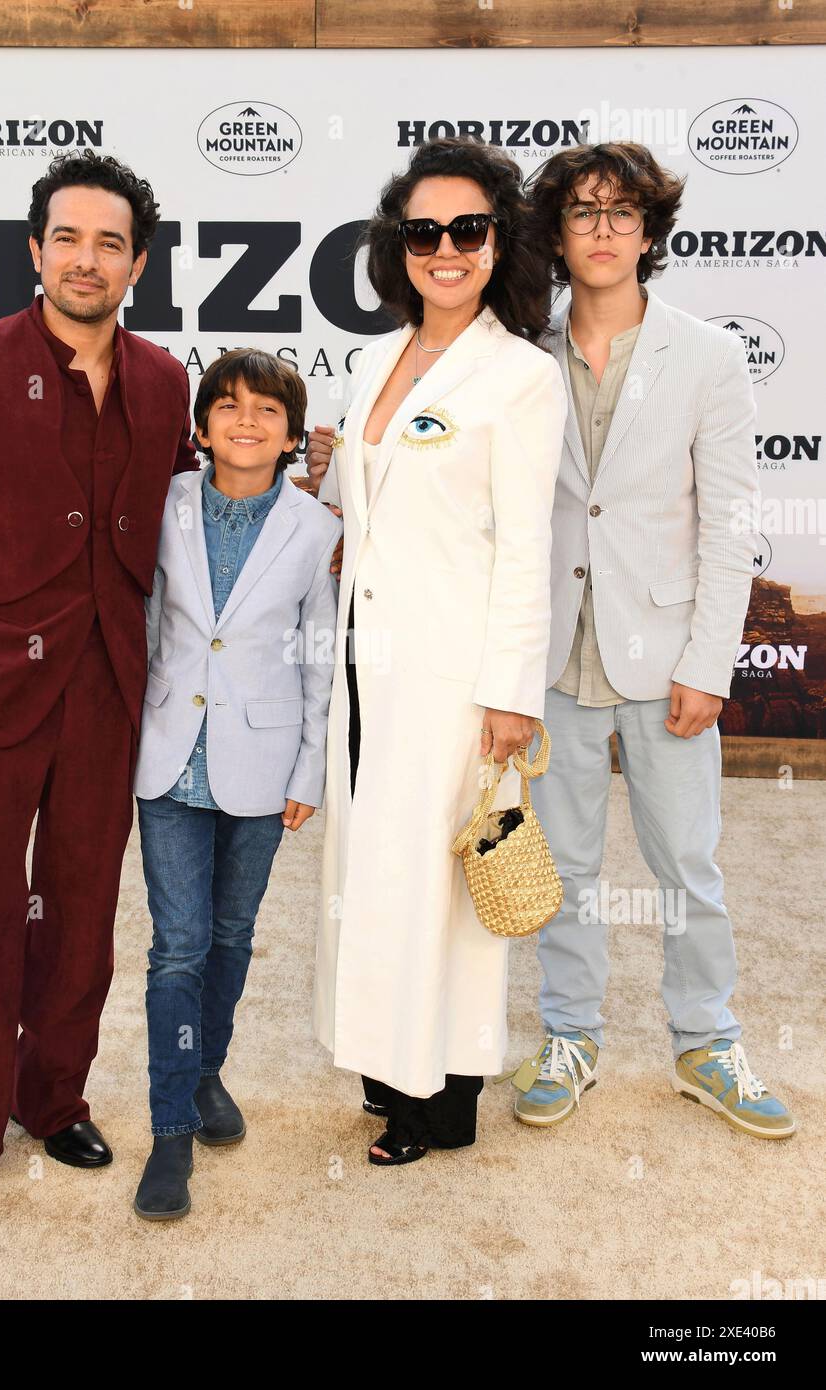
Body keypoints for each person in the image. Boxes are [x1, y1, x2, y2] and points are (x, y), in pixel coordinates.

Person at [0, 150, 199, 1217]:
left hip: (110, 687)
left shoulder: (163, 380)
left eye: (110, 242)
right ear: (34, 251)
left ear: (137, 263)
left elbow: (184, 517)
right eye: (68, 238)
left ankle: (52, 1100)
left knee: (81, 911)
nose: (86, 259)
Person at [510, 141, 794, 1137]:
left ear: (648, 232)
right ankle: (570, 1034)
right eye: (581, 213)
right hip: (551, 655)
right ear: (555, 233)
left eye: (620, 213)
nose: (601, 230)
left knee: (689, 864)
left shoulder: (708, 357)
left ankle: (707, 1040)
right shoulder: (520, 355)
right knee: (565, 867)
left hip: (668, 653)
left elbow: (727, 523)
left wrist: (708, 662)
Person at [308, 137, 567, 1165]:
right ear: (398, 243)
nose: (446, 248)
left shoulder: (519, 376)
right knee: (375, 872)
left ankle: (440, 1097)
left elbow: (524, 546)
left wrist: (511, 691)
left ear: (500, 242)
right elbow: (376, 512)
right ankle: (387, 1066)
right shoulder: (374, 356)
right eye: (425, 230)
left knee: (440, 889)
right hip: (367, 665)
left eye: (469, 229)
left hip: (457, 677)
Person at [132, 349, 341, 1218]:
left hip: (264, 759)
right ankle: (172, 1125)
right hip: (168, 757)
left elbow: (320, 656)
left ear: (293, 435)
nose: (245, 421)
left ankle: (206, 1066)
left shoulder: (317, 528)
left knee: (231, 936)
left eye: (266, 410)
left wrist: (312, 767)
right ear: (202, 423)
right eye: (227, 405)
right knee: (177, 946)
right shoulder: (163, 503)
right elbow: (143, 624)